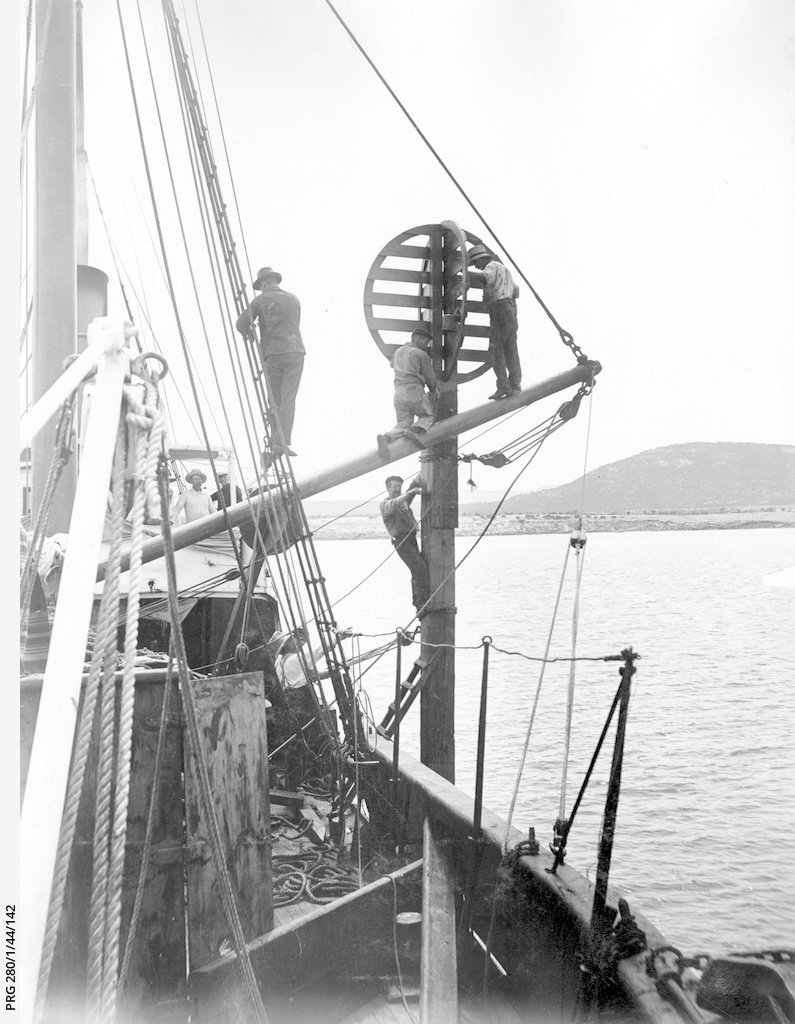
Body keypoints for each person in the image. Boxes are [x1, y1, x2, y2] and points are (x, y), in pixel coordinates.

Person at [236, 266, 305, 458]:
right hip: (295, 351)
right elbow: (295, 323)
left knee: (274, 400)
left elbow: (240, 324)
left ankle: (277, 441)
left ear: (265, 283)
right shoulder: (293, 298)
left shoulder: (260, 300)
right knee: (288, 398)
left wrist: (249, 333)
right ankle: (281, 442)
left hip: (272, 354)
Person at [376, 325, 439, 460]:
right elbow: (430, 377)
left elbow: (392, 364)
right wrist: (434, 390)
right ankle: (413, 431)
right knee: (427, 416)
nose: (426, 345)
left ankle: (388, 437)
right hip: (413, 389)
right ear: (418, 339)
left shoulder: (398, 351)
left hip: (398, 391)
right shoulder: (421, 354)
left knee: (403, 422)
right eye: (425, 341)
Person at [467, 244, 521, 399]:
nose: (477, 267)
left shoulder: (491, 266)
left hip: (499, 309)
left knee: (496, 350)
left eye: (476, 263)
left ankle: (503, 386)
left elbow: (484, 276)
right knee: (511, 348)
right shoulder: (504, 270)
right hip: (510, 309)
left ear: (481, 259)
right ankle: (515, 384)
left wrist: (465, 274)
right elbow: (516, 291)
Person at [379, 475, 430, 618]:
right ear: (388, 488)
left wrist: (421, 474)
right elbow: (394, 504)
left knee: (418, 569)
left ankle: (420, 602)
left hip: (411, 539)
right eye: (394, 486)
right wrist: (409, 492)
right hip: (401, 542)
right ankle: (421, 605)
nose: (397, 489)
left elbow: (411, 487)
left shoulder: (403, 501)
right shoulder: (385, 504)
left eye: (399, 487)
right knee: (420, 568)